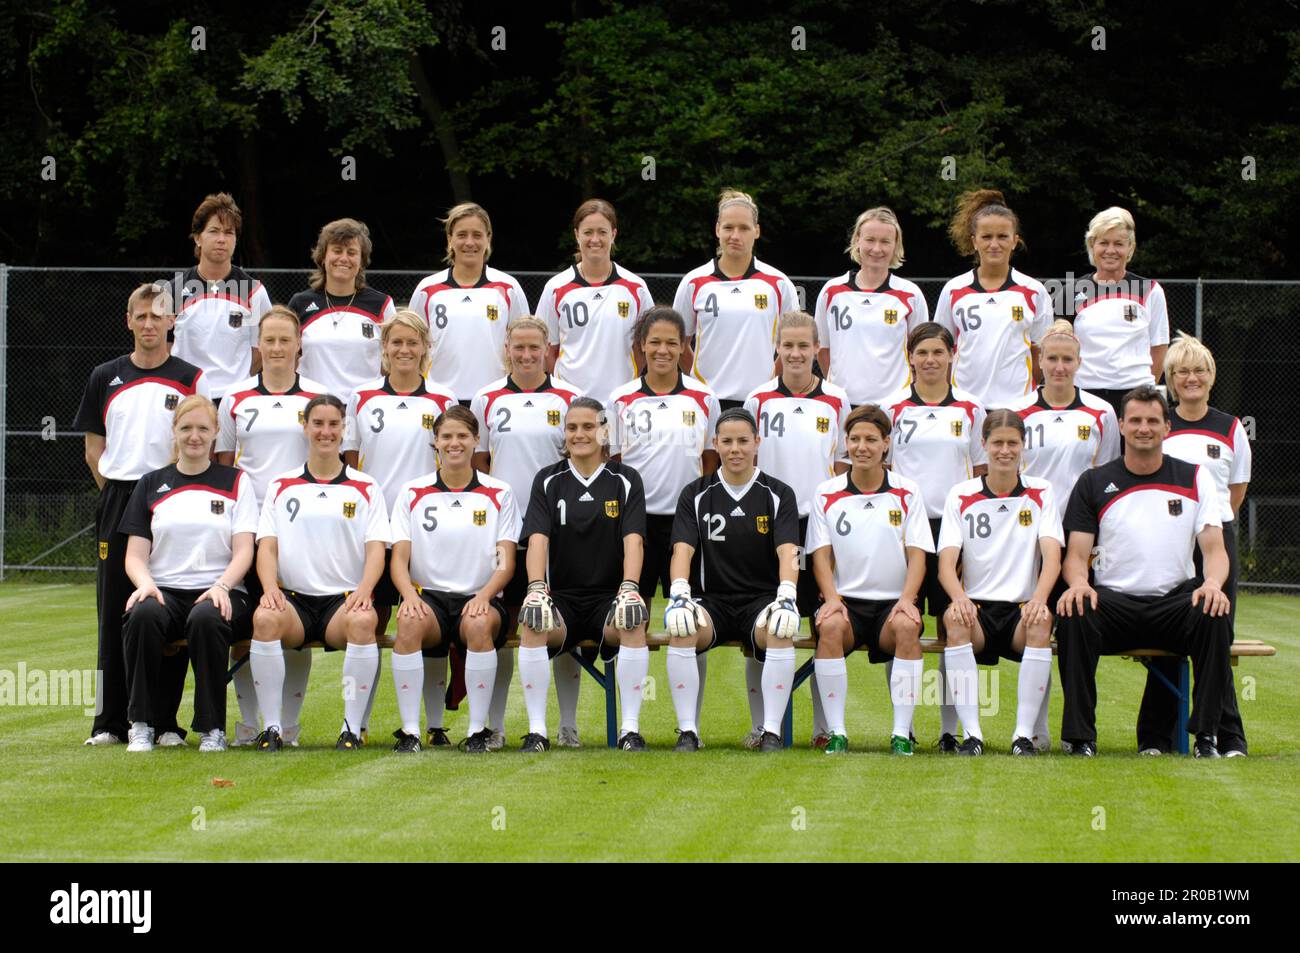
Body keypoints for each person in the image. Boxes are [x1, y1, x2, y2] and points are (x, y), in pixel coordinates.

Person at [1056, 385, 1233, 758]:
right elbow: (1075, 555)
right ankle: (1080, 738)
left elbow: (1214, 549)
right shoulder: (1093, 482)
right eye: (1135, 420)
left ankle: (1206, 737)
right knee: (1075, 611)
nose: (1143, 428)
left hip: (1174, 605)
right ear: (1121, 425)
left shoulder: (1195, 477)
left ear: (1167, 427)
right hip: (1115, 605)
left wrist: (1214, 583)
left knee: (1214, 611)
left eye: (1153, 420)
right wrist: (1077, 584)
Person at [75, 283, 211, 747]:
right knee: (115, 610)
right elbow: (95, 453)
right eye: (142, 316)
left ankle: (164, 722)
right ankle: (109, 723)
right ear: (128, 320)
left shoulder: (193, 378)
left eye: (159, 316)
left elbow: (202, 440)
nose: (150, 324)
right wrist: (126, 502)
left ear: (172, 322)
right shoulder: (104, 376)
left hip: (175, 496)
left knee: (166, 605)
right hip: (120, 497)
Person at [248, 395, 391, 751]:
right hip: (293, 601)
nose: (325, 432)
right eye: (318, 424)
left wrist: (365, 589)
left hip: (341, 602)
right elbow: (267, 545)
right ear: (305, 427)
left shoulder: (365, 486)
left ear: (344, 430)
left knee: (363, 623)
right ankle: (273, 728)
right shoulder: (281, 485)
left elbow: (376, 548)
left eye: (333, 425)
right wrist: (269, 587)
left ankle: (351, 729)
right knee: (264, 620)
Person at [119, 396, 257, 751]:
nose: (194, 436)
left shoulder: (235, 482)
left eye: (202, 429)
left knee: (208, 618)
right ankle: (142, 724)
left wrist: (222, 586)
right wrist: (146, 584)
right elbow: (135, 555)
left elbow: (245, 549)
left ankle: (212, 729)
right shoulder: (151, 483)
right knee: (142, 614)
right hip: (165, 591)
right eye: (186, 428)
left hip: (222, 591)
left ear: (214, 434)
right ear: (174, 431)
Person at [1005, 320, 1119, 751]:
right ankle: (1035, 730)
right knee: (1037, 624)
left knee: (1074, 630)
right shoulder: (1021, 411)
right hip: (1030, 534)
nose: (1058, 366)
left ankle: (1078, 731)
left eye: (1066, 359)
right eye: (1051, 358)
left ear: (1079, 362)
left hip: (1082, 535)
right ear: (1039, 360)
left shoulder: (1100, 412)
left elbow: (1106, 474)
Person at [216, 306, 326, 747]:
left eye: (286, 340)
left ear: (299, 345)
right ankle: (248, 722)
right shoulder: (235, 398)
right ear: (258, 345)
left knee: (291, 624)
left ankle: (290, 724)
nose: (277, 348)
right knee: (249, 627)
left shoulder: (316, 397)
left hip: (300, 527)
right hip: (248, 527)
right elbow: (225, 466)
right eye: (270, 341)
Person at [343, 310, 456, 742]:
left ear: (426, 348)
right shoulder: (361, 398)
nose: (405, 350)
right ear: (384, 349)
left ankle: (433, 726)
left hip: (425, 528)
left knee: (425, 621)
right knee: (371, 621)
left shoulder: (443, 400)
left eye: (413, 343)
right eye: (396, 343)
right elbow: (351, 465)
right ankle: (356, 723)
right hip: (374, 531)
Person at [1137, 334, 1252, 755]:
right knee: (1167, 636)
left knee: (1216, 638)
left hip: (1216, 543)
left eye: (1199, 369)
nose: (1191, 378)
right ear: (1169, 377)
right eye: (1182, 371)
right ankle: (1156, 738)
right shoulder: (1158, 424)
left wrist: (1212, 529)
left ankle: (1226, 737)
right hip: (1169, 543)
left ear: (1211, 375)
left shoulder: (1230, 428)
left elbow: (1234, 492)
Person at [471, 317, 583, 747]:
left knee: (562, 625)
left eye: (534, 347)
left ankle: (567, 724)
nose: (526, 355)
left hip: (558, 533)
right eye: (518, 347)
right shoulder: (486, 398)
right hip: (502, 532)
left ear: (548, 348)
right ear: (507, 348)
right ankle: (494, 726)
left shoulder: (569, 397)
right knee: (501, 630)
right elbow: (481, 465)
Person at [608, 307, 720, 736]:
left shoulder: (703, 398)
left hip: (688, 524)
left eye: (672, 342)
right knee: (632, 617)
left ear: (684, 348)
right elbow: (613, 463)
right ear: (640, 346)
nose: (662, 350)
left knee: (688, 619)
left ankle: (687, 725)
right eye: (654, 341)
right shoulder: (620, 399)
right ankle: (629, 725)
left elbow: (710, 461)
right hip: (635, 526)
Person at [663, 408, 802, 752]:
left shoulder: (779, 494)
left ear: (757, 443)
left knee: (780, 630)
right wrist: (679, 592)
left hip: (762, 602)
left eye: (743, 441)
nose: (735, 449)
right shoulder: (695, 493)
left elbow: (790, 552)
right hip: (713, 603)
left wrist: (787, 595)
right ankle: (687, 732)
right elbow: (682, 550)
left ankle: (770, 732)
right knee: (682, 628)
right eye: (727, 441)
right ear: (715, 444)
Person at [516, 398, 651, 751]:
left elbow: (633, 541)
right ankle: (537, 731)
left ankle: (630, 730)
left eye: (588, 427)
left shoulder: (626, 480)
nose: (580, 434)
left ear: (604, 432)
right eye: (572, 428)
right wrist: (535, 590)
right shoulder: (548, 480)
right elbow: (537, 541)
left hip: (609, 599)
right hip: (562, 598)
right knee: (532, 622)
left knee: (634, 621)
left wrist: (630, 589)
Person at [743, 311, 849, 748]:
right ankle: (762, 725)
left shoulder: (839, 399)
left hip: (821, 525)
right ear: (777, 348)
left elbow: (844, 462)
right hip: (769, 524)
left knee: (823, 620)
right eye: (787, 345)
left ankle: (823, 729)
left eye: (804, 345)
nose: (796, 353)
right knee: (765, 621)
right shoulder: (757, 400)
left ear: (816, 349)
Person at [387, 406, 521, 752]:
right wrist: (409, 596)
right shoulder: (412, 492)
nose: (454, 443)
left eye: (463, 436)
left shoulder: (499, 493)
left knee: (478, 626)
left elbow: (505, 561)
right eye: (446, 436)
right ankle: (411, 732)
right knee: (408, 622)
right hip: (429, 597)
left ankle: (477, 732)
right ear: (435, 442)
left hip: (481, 595)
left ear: (477, 440)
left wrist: (485, 596)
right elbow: (399, 558)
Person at [881, 323, 986, 751]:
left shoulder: (971, 409)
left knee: (950, 626)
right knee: (902, 620)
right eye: (921, 352)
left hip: (953, 530)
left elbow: (980, 475)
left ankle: (949, 730)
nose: (929, 360)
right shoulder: (892, 409)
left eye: (937, 352)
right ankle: (901, 726)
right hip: (904, 528)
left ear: (951, 355)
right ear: (910, 357)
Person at [807, 405, 933, 755]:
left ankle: (901, 734)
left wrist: (907, 600)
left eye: (871, 440)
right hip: (846, 603)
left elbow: (918, 553)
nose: (863, 447)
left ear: (886, 444)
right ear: (845, 442)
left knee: (908, 627)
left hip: (892, 604)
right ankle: (837, 732)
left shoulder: (908, 492)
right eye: (856, 439)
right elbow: (820, 554)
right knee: (829, 627)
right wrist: (831, 598)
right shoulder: (827, 492)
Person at [937, 410, 1063, 755]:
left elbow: (1052, 555)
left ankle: (1023, 736)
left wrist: (1039, 598)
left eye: (1012, 443)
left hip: (1021, 610)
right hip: (976, 609)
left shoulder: (1041, 492)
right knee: (952, 618)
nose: (1004, 450)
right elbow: (946, 564)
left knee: (1042, 620)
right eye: (997, 443)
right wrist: (959, 598)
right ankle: (972, 736)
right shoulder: (961, 494)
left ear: (1023, 446)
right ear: (983, 444)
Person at [672, 189, 799, 407]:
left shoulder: (778, 284)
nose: (735, 236)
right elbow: (677, 343)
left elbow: (795, 344)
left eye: (744, 228)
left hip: (761, 401)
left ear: (757, 231)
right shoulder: (694, 282)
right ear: (717, 229)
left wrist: (769, 383)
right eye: (728, 227)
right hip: (705, 401)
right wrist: (700, 384)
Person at [933, 189, 1053, 408]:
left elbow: (1041, 353)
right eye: (986, 237)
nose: (994, 244)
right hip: (964, 404)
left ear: (1015, 241)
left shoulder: (1033, 291)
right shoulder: (954, 290)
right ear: (974, 241)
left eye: (1002, 236)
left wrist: (1028, 397)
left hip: (1017, 405)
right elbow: (942, 349)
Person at [408, 203, 529, 402]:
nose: (470, 242)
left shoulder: (508, 287)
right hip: (439, 397)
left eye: (477, 235)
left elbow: (525, 342)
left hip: (497, 398)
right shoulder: (427, 289)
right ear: (450, 239)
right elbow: (412, 344)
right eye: (462, 235)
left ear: (488, 238)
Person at [538, 199, 655, 403]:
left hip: (621, 401)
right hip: (571, 403)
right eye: (588, 232)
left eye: (602, 232)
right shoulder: (556, 288)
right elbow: (547, 351)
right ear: (576, 235)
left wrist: (631, 385)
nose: (595, 239)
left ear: (613, 234)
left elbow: (646, 346)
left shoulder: (635, 287)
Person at [814, 207, 930, 407]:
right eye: (870, 240)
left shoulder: (911, 294)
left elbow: (922, 351)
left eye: (885, 241)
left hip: (894, 406)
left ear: (895, 246)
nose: (877, 249)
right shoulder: (832, 291)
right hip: (842, 404)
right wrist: (838, 389)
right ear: (857, 240)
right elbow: (823, 349)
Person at [166, 193, 273, 401]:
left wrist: (235, 381)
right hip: (186, 398)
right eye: (214, 231)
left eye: (229, 233)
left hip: (236, 400)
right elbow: (165, 346)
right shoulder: (172, 290)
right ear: (198, 237)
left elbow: (263, 348)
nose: (221, 240)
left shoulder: (254, 291)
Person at [1068, 207, 1170, 414]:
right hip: (1085, 394)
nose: (1110, 250)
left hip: (1137, 395)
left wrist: (1141, 393)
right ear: (1092, 246)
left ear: (1130, 248)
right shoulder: (1071, 292)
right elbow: (1062, 348)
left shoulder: (1150, 291)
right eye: (1103, 242)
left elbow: (1159, 350)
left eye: (1119, 243)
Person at [288, 218, 397, 404]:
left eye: (352, 252)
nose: (344, 258)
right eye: (337, 251)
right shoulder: (300, 303)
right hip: (312, 409)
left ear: (361, 260)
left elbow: (392, 362)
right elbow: (288, 359)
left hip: (366, 408)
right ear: (323, 257)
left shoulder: (382, 304)